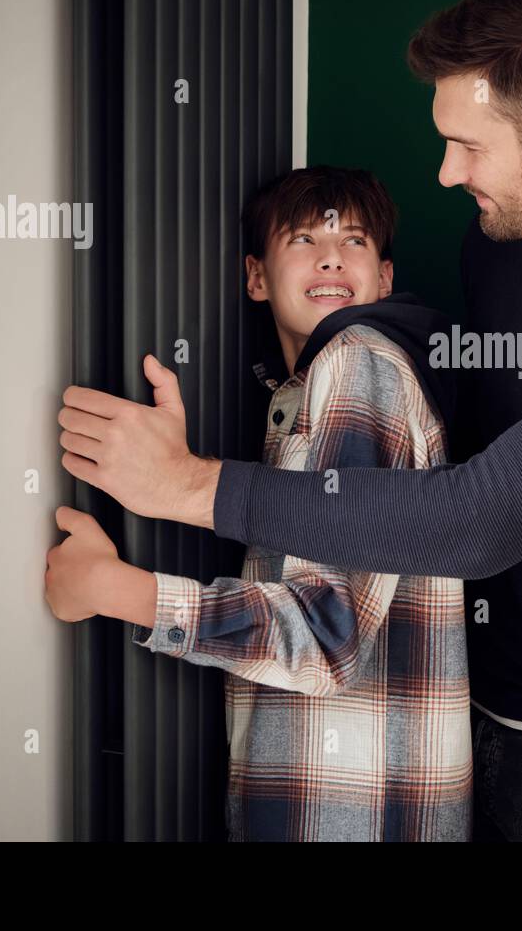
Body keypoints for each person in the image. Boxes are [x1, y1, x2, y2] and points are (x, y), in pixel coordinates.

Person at [59, 0, 522, 842]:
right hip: (464, 702)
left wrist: (187, 488)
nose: (447, 173)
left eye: (468, 147)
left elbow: (481, 516)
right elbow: (453, 461)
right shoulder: (507, 238)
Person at [46, 165, 471, 841]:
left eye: (354, 241)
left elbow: (330, 634)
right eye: (304, 237)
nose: (331, 255)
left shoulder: (357, 360)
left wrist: (114, 588)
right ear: (255, 276)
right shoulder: (311, 389)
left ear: (384, 280)